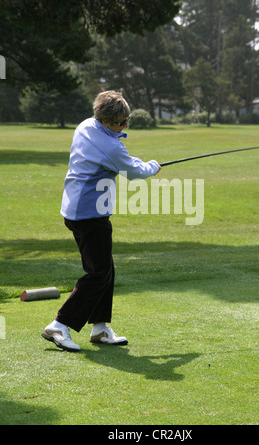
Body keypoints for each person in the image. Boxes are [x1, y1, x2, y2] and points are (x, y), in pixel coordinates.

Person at [42, 91, 161, 352]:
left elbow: (124, 162)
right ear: (106, 121)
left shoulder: (86, 125)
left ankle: (100, 328)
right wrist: (152, 165)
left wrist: (136, 162)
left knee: (106, 267)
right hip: (90, 214)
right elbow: (135, 173)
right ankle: (60, 324)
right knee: (99, 274)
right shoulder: (110, 147)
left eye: (127, 120)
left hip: (74, 209)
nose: (125, 126)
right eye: (121, 122)